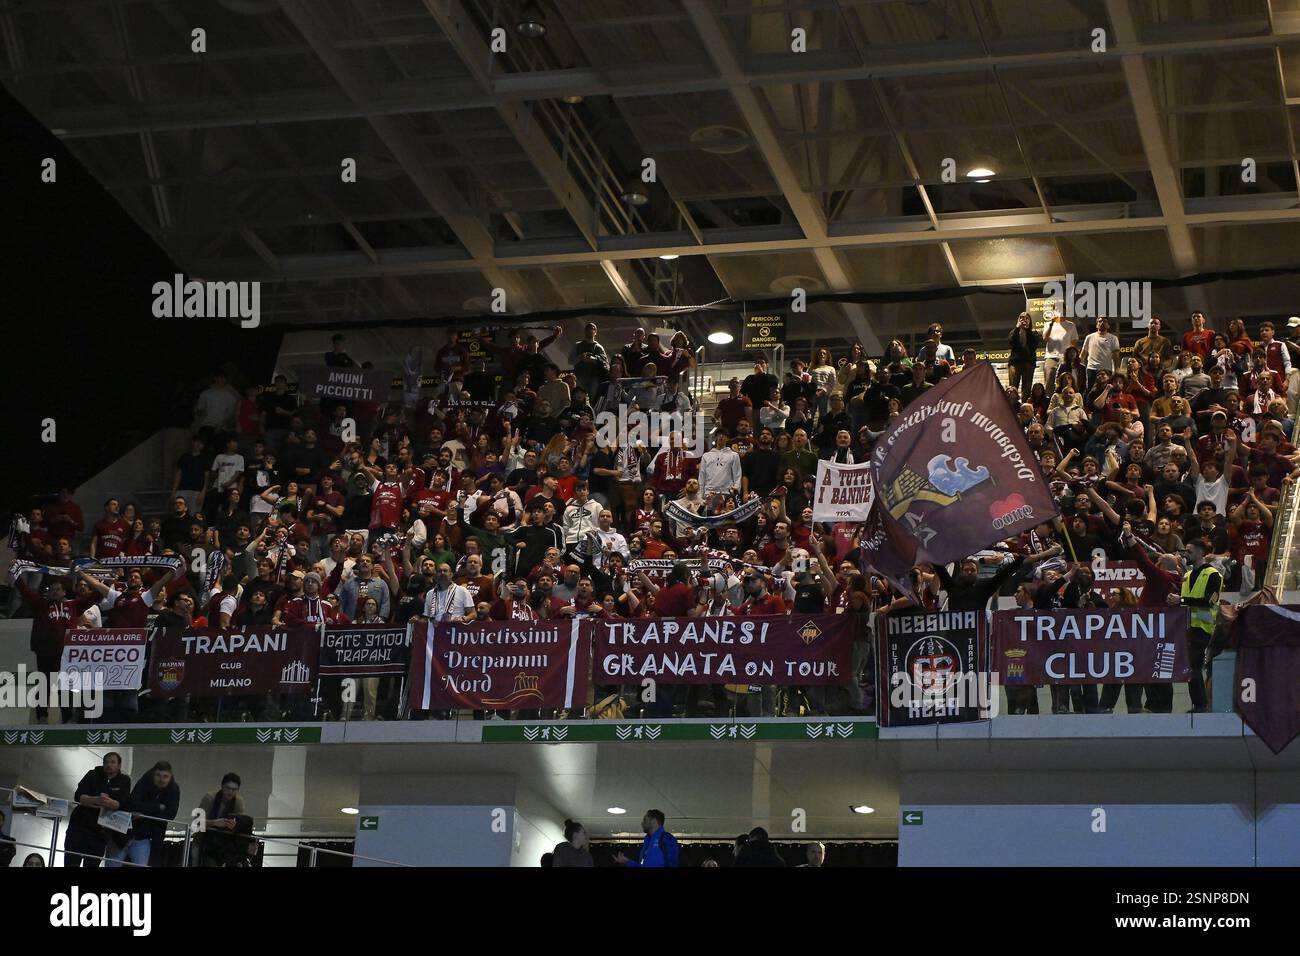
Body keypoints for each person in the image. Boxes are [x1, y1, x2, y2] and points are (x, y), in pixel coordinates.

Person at [1176, 538, 1222, 714]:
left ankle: (1202, 706)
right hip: (1188, 628)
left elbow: (1209, 601)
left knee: (1195, 668)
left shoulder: (1213, 574)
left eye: (1189, 551)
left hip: (1205, 628)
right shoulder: (1187, 576)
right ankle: (1198, 705)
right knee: (1190, 669)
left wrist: (1181, 600)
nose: (1186, 554)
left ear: (1201, 552)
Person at [106, 761, 180, 868]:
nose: (161, 779)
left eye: (165, 776)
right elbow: (133, 803)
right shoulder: (144, 781)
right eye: (158, 775)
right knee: (112, 864)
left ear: (170, 777)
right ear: (153, 774)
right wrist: (158, 807)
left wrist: (143, 812)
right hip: (124, 833)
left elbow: (170, 815)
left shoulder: (174, 789)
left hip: (146, 837)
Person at [66, 752, 130, 867]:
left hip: (101, 832)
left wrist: (110, 803)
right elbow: (78, 796)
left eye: (112, 762)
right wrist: (96, 800)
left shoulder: (124, 780)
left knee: (92, 864)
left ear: (119, 765)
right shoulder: (92, 774)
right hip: (79, 826)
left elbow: (123, 803)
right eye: (106, 762)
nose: (108, 765)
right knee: (71, 862)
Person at [613, 809, 679, 867]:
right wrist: (627, 862)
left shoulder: (667, 838)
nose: (642, 823)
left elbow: (673, 863)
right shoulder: (647, 842)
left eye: (645, 819)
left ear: (653, 821)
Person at [1007, 311, 1041, 395]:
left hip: (1028, 363)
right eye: (1021, 318)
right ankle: (1012, 405)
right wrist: (1018, 328)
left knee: (1027, 387)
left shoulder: (1033, 333)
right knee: (1013, 386)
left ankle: (1025, 405)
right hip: (1015, 362)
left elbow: (1033, 345)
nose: (1024, 320)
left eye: (1026, 318)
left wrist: (1027, 329)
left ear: (1030, 321)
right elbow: (1011, 342)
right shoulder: (1014, 332)